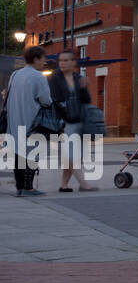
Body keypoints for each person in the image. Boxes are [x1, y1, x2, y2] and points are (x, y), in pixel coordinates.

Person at [5, 46, 53, 196]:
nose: (44, 62)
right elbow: (46, 101)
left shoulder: (15, 75)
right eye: (43, 58)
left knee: (18, 154)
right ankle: (28, 187)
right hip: (32, 120)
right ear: (36, 59)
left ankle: (20, 187)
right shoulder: (39, 77)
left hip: (13, 119)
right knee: (32, 153)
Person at [50, 49, 97, 192]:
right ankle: (84, 184)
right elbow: (54, 100)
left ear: (73, 62)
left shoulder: (78, 78)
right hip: (65, 123)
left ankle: (64, 185)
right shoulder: (54, 78)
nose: (62, 63)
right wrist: (62, 117)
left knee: (73, 155)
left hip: (79, 121)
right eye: (60, 61)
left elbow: (87, 101)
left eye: (66, 60)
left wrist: (83, 88)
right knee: (71, 155)